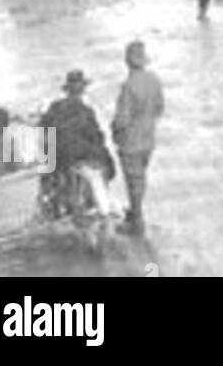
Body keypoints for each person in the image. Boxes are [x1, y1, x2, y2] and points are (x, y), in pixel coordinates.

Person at [39, 70, 118, 219]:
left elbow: (44, 132)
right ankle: (97, 206)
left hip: (60, 160)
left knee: (53, 175)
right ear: (83, 90)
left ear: (67, 90)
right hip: (80, 157)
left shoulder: (54, 108)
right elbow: (97, 138)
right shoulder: (86, 112)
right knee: (98, 168)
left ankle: (56, 207)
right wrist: (109, 162)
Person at [111, 41, 164, 236]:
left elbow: (122, 119)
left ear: (127, 61)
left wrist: (115, 130)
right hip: (148, 139)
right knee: (140, 177)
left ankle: (137, 220)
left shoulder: (128, 86)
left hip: (131, 142)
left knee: (133, 181)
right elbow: (159, 108)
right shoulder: (155, 80)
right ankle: (135, 212)